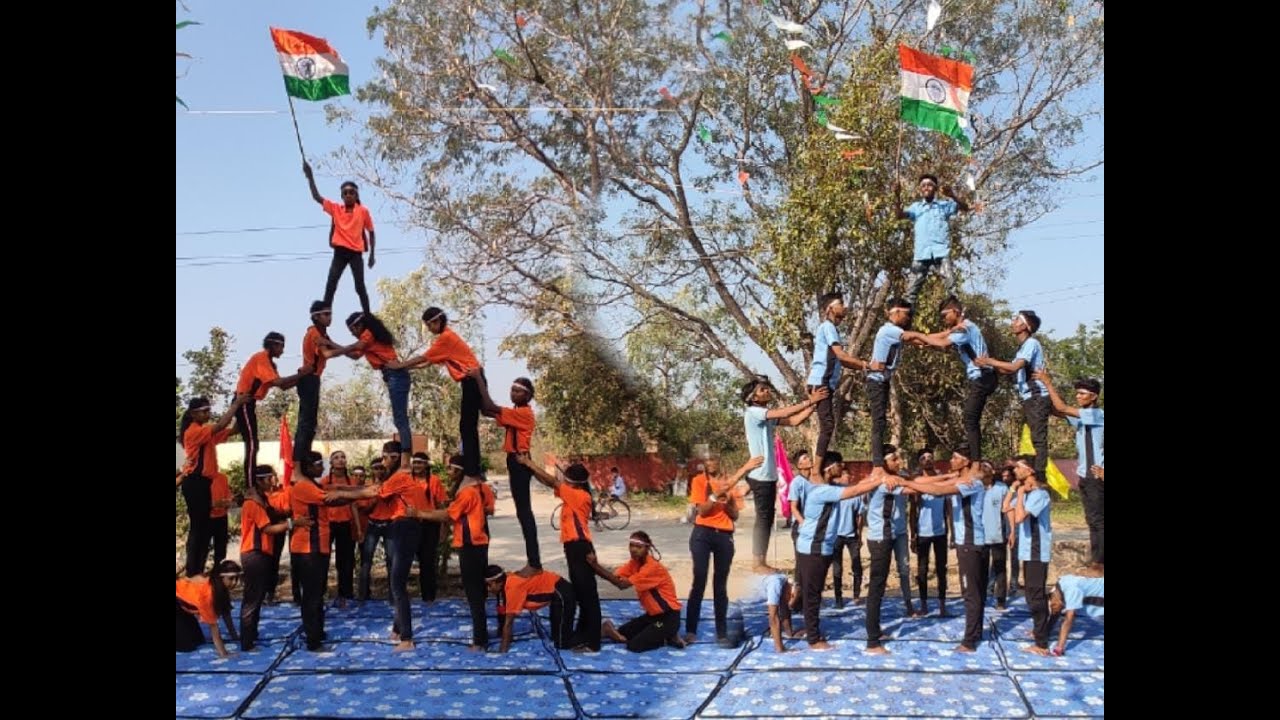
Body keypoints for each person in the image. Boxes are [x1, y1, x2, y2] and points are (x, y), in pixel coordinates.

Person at [795, 451, 884, 651]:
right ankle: (813, 638)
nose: (842, 467)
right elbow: (854, 492)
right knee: (812, 595)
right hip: (812, 548)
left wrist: (878, 475)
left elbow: (857, 487)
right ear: (828, 468)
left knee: (813, 593)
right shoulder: (821, 491)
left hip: (822, 547)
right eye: (838, 464)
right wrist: (880, 480)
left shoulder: (831, 487)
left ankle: (809, 629)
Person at [741, 373, 827, 571]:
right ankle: (757, 562)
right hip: (760, 474)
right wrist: (810, 400)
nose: (767, 391)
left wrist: (814, 405)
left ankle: (761, 560)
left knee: (768, 518)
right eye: (762, 390)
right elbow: (784, 412)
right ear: (753, 398)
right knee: (763, 519)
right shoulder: (754, 412)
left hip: (768, 475)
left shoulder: (765, 415)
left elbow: (794, 421)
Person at [516, 456, 602, 652]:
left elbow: (551, 481)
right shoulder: (573, 493)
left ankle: (593, 642)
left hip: (580, 548)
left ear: (572, 482)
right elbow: (548, 482)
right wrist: (531, 467)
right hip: (574, 548)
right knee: (582, 595)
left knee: (588, 597)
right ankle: (584, 635)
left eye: (565, 478)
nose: (562, 480)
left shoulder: (578, 496)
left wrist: (530, 463)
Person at [390, 308, 482, 478]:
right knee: (467, 426)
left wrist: (399, 366)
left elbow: (423, 358)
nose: (429, 329)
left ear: (436, 322)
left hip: (472, 379)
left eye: (428, 326)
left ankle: (473, 470)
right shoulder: (445, 338)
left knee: (467, 427)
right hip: (469, 381)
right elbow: (427, 363)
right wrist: (406, 368)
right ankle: (473, 468)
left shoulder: (446, 338)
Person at [684, 456, 765, 646]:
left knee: (720, 585)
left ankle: (721, 632)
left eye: (714, 460)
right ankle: (690, 630)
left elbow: (735, 515)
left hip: (724, 536)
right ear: (704, 465)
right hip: (702, 534)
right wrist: (713, 497)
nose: (711, 464)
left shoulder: (729, 484)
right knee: (699, 579)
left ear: (719, 463)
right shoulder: (699, 481)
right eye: (707, 461)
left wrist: (727, 502)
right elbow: (701, 511)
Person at [908, 296, 997, 457]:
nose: (943, 319)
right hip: (980, 377)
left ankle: (975, 461)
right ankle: (974, 457)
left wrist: (915, 335)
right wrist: (913, 339)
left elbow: (942, 343)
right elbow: (939, 337)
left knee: (970, 418)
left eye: (945, 315)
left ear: (956, 312)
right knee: (971, 417)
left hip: (983, 376)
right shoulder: (960, 329)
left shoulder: (964, 329)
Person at [471, 369, 541, 571]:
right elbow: (487, 411)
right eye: (512, 390)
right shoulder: (514, 413)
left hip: (520, 461)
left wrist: (478, 379)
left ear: (527, 396)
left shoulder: (523, 413)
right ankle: (533, 561)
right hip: (514, 461)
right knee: (523, 512)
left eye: (518, 391)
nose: (513, 393)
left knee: (525, 513)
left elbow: (490, 406)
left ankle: (534, 562)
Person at [1037, 370, 1104, 565]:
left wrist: (1048, 382)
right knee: (1092, 521)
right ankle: (1097, 561)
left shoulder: (1096, 414)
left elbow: (1062, 406)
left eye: (1082, 394)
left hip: (1096, 477)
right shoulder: (1083, 417)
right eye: (1077, 393)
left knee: (1099, 522)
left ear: (1094, 396)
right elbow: (1057, 410)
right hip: (1085, 477)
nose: (1078, 397)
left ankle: (1100, 564)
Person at [975, 311, 1049, 483]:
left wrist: (991, 361)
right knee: (1035, 436)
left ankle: (1039, 476)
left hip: (1037, 395)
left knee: (1039, 438)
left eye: (1017, 319)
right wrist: (987, 364)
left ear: (1025, 326)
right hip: (1029, 397)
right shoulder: (1023, 347)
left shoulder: (1031, 343)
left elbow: (1015, 367)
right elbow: (1007, 369)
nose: (1012, 322)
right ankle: (1033, 470)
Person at [178, 395, 248, 577]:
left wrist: (243, 411)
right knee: (198, 529)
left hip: (203, 483)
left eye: (209, 410)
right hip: (194, 482)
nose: (208, 414)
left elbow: (232, 430)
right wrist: (236, 404)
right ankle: (193, 572)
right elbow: (221, 425)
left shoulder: (205, 432)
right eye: (205, 411)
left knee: (203, 529)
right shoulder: (194, 431)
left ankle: (198, 570)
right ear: (193, 414)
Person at [588, 532, 687, 653]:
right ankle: (658, 633)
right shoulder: (634, 563)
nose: (634, 550)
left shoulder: (652, 568)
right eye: (631, 546)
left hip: (667, 619)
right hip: (651, 617)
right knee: (622, 632)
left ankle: (668, 637)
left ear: (647, 548)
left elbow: (622, 585)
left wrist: (595, 565)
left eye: (638, 547)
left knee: (634, 645)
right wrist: (595, 567)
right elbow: (615, 576)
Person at [335, 312, 413, 461]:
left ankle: (406, 457)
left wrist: (332, 348)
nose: (353, 334)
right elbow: (355, 355)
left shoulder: (367, 334)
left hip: (395, 373)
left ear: (359, 325)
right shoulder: (369, 337)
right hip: (392, 375)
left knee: (400, 419)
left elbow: (357, 346)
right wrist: (336, 347)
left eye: (353, 330)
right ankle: (406, 455)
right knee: (400, 418)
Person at [239, 466, 299, 651]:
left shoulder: (261, 501)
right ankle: (247, 642)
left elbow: (275, 514)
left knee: (256, 596)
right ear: (260, 481)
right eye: (270, 478)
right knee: (253, 598)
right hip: (254, 554)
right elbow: (267, 528)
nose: (274, 480)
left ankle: (251, 635)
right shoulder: (253, 504)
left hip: (261, 553)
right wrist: (293, 524)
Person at [302, 161, 376, 314]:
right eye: (345, 193)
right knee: (331, 284)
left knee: (359, 286)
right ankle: (325, 314)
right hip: (340, 252)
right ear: (342, 196)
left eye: (351, 192)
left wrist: (372, 255)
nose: (348, 195)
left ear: (356, 195)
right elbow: (317, 197)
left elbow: (371, 231)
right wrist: (310, 177)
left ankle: (368, 315)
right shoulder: (336, 209)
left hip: (356, 253)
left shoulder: (363, 211)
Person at [234, 333, 303, 487]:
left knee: (252, 443)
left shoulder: (271, 365)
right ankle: (250, 485)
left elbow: (283, 386)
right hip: (244, 401)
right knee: (252, 444)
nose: (283, 351)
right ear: (273, 345)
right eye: (281, 346)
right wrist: (301, 374)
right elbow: (279, 382)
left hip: (250, 404)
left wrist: (301, 378)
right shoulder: (261, 359)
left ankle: (251, 483)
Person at [895, 173, 971, 307]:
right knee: (910, 293)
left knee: (951, 289)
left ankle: (956, 318)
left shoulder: (944, 206)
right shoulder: (916, 208)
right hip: (921, 254)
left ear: (935, 189)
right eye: (923, 185)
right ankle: (905, 321)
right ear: (920, 189)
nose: (926, 188)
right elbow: (899, 215)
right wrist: (897, 196)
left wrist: (952, 195)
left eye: (929, 185)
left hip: (940, 252)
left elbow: (965, 208)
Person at [1004, 455, 1053, 655]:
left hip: (1037, 550)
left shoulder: (1040, 494)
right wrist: (1014, 490)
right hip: (1027, 549)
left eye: (1018, 467)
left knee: (1035, 596)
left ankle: (1041, 643)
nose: (1015, 471)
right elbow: (1006, 507)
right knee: (1032, 594)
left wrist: (1022, 494)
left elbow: (1020, 516)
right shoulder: (1025, 492)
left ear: (1030, 470)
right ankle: (1039, 630)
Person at [294, 300, 345, 460]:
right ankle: (299, 462)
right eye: (326, 314)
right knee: (306, 424)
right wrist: (350, 349)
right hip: (309, 378)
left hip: (313, 379)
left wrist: (349, 349)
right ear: (316, 317)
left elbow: (332, 347)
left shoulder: (322, 334)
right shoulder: (315, 334)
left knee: (310, 424)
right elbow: (328, 353)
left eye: (330, 314)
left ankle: (304, 458)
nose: (330, 318)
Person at [487, 565, 577, 652]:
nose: (488, 589)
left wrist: (503, 650)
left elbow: (509, 622)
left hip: (562, 593)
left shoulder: (513, 588)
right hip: (556, 592)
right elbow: (502, 611)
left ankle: (584, 641)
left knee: (562, 644)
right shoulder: (504, 582)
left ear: (496, 582)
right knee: (556, 636)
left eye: (489, 585)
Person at [176, 560, 242, 658]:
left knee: (198, 640)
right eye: (231, 578)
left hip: (184, 606)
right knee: (186, 647)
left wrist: (234, 635)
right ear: (221, 577)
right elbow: (214, 628)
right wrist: (224, 654)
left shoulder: (218, 586)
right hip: (178, 602)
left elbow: (226, 612)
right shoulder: (208, 595)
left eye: (237, 579)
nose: (235, 583)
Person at [1049, 567, 1104, 656]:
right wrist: (1046, 630)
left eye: (1053, 607)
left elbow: (1069, 619)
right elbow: (1056, 611)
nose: (1054, 610)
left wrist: (1059, 647)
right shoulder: (1061, 583)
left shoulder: (1072, 591)